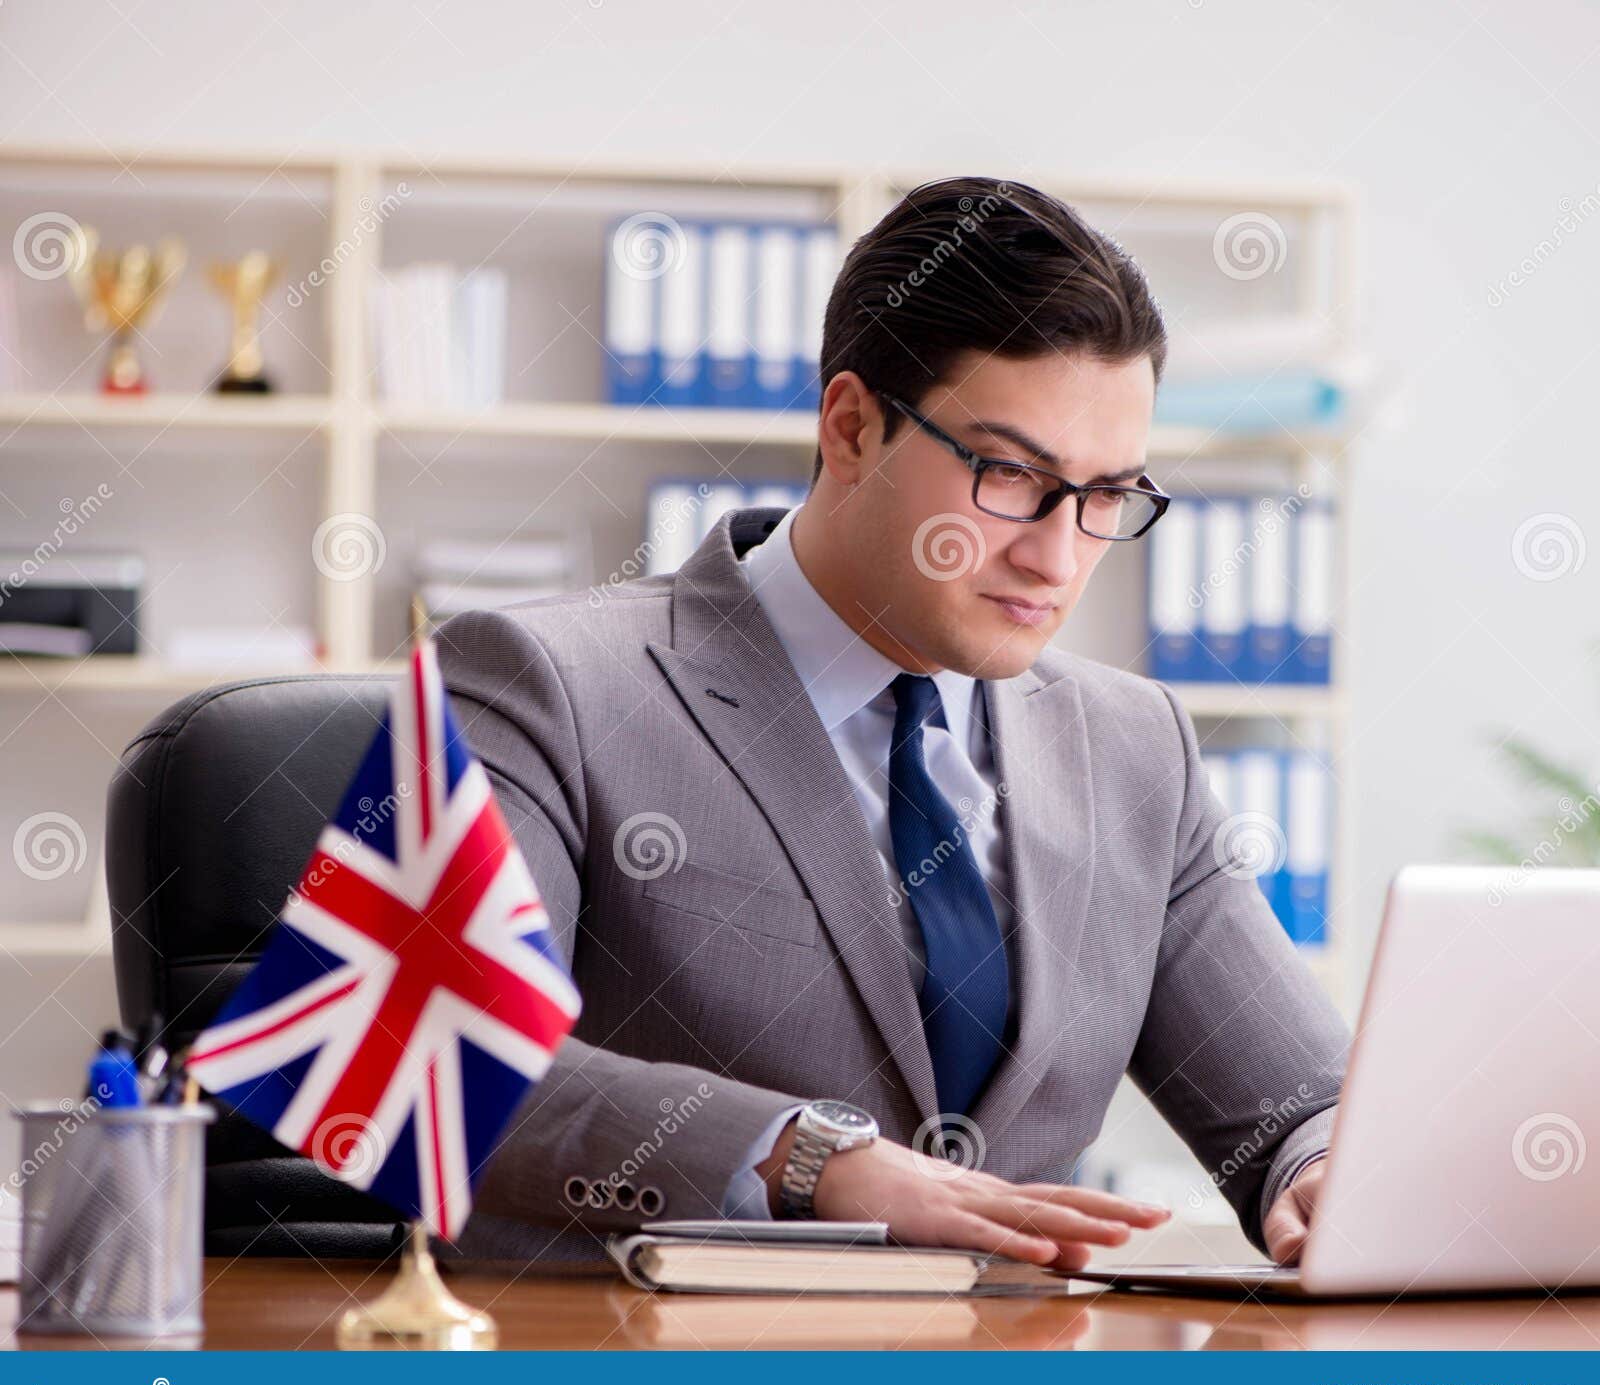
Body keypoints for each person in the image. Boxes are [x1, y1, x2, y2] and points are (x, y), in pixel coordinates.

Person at [438, 177, 1348, 1270]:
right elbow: (432, 1045)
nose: (1057, 558)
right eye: (1010, 475)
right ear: (852, 426)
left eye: (1108, 495)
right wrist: (813, 1160)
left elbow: (1299, 1100)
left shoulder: (1136, 745)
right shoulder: (542, 680)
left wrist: (1321, 1167)